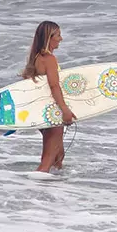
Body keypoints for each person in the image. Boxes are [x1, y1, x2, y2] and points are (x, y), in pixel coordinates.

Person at [22, 20, 76, 172]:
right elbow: (54, 86)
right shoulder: (49, 59)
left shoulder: (37, 58)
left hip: (43, 110)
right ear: (49, 37)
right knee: (47, 161)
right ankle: (35, 189)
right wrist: (64, 109)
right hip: (53, 111)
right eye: (58, 35)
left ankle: (52, 189)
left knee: (58, 156)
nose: (61, 38)